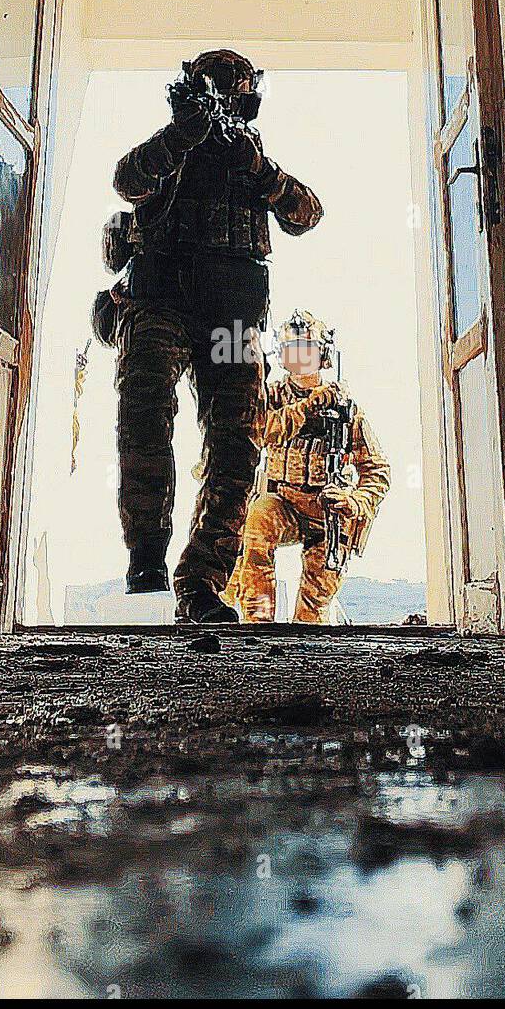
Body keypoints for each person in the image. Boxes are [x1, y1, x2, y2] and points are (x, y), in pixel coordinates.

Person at [112, 50, 323, 625]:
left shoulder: (250, 160)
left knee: (236, 446)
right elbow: (125, 180)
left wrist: (262, 173)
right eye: (222, 94)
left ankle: (202, 581)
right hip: (166, 301)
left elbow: (308, 214)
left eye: (239, 95)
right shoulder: (171, 148)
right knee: (144, 406)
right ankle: (147, 551)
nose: (230, 107)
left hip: (232, 315)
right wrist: (179, 138)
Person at [231, 310, 390, 624]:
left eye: (307, 348)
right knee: (258, 519)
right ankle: (257, 626)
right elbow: (260, 431)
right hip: (283, 503)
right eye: (291, 349)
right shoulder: (271, 396)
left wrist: (355, 502)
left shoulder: (345, 408)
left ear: (323, 354)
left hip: (328, 514)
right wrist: (309, 407)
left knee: (312, 613)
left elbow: (377, 470)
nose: (299, 356)